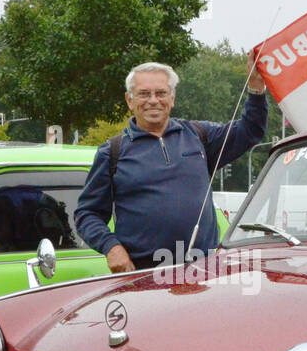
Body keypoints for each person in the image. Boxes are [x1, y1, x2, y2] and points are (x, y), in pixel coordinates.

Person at [75, 61, 268, 272]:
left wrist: (256, 89)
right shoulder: (112, 152)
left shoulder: (199, 136)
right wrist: (111, 248)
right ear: (129, 100)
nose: (153, 100)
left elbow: (250, 131)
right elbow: (87, 214)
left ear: (172, 98)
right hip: (143, 275)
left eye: (161, 93)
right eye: (144, 94)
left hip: (204, 271)